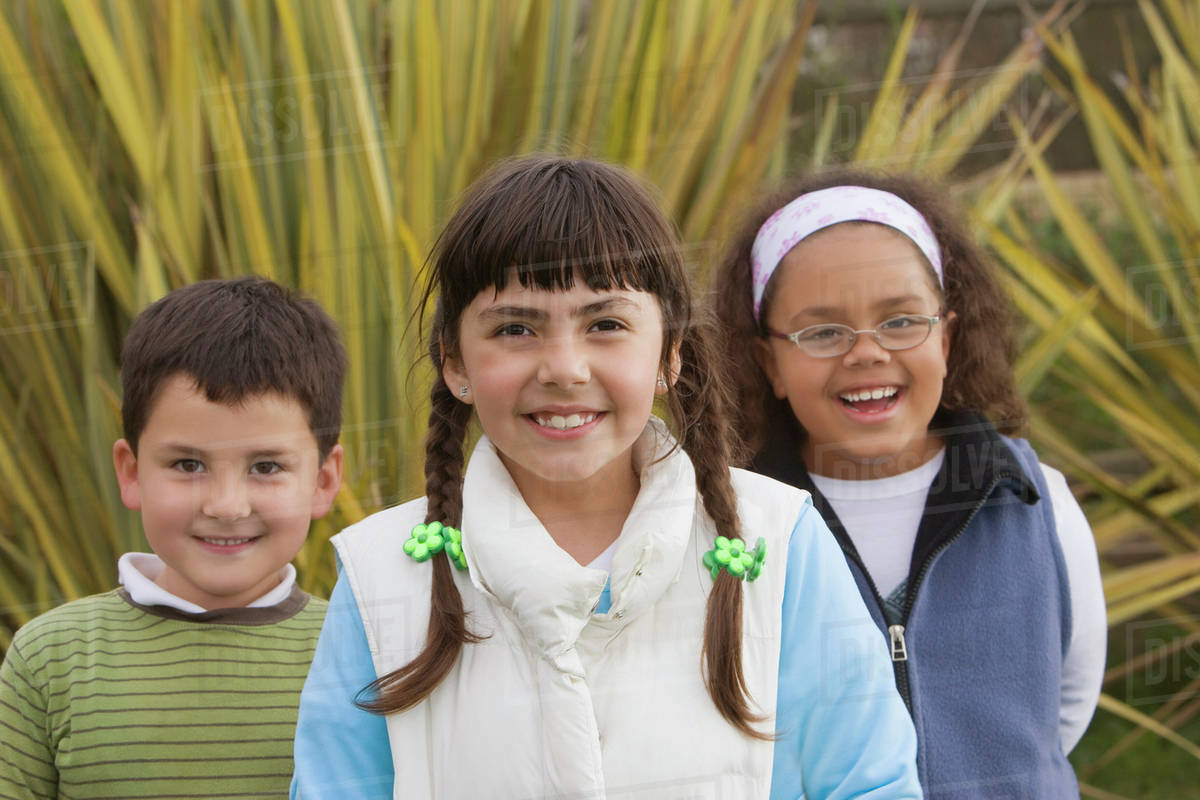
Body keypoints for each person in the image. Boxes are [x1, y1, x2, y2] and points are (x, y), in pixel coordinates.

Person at [291, 156, 921, 799]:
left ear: (669, 353)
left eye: (606, 325)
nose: (564, 368)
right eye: (515, 328)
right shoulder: (381, 576)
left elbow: (871, 785)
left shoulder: (780, 545)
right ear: (455, 362)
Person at [711, 171, 1107, 798]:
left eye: (900, 321)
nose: (866, 353)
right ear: (770, 364)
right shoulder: (737, 526)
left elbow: (1063, 711)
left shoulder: (1036, 501)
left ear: (946, 338)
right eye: (823, 333)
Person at [0, 277, 346, 800]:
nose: (226, 506)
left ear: (322, 481)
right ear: (131, 472)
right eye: (188, 464)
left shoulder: (358, 654)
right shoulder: (51, 658)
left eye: (266, 466)